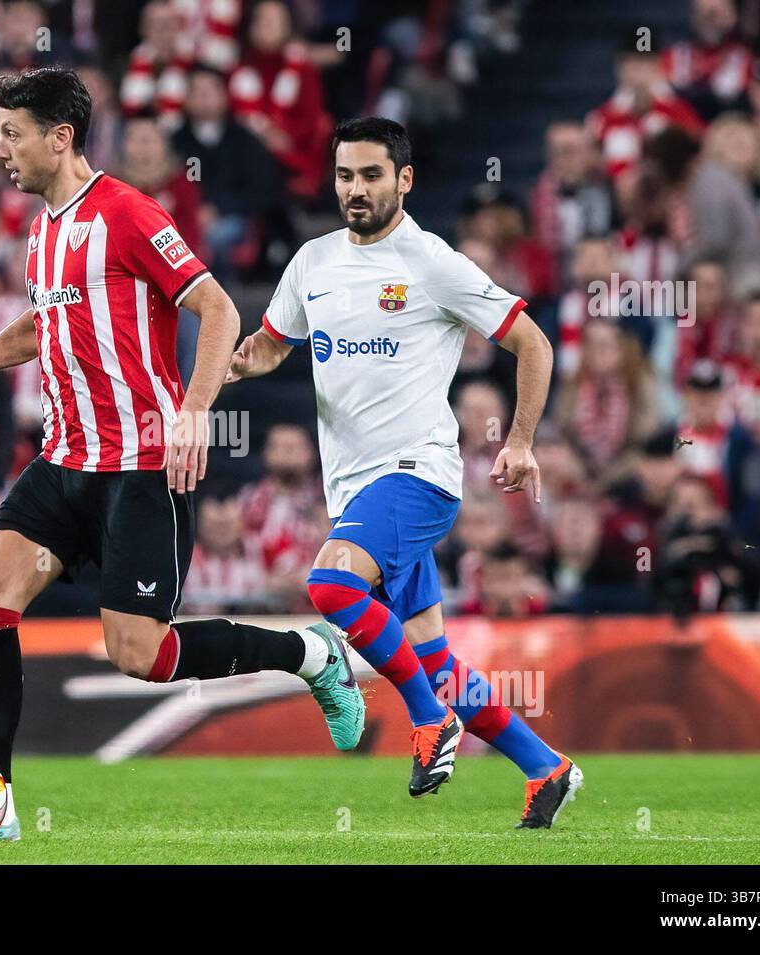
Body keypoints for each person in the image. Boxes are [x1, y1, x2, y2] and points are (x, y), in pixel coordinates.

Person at [0, 67, 362, 842]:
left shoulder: (127, 213)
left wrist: (194, 412)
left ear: (59, 138)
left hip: (139, 466)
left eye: (12, 135)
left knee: (141, 653)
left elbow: (218, 309)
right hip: (65, 459)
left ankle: (309, 652)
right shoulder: (44, 229)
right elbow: (47, 322)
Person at [224, 117, 580, 828]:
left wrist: (520, 441)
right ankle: (546, 767)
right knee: (435, 658)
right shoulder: (313, 262)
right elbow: (272, 344)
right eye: (344, 175)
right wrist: (237, 362)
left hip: (418, 475)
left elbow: (533, 343)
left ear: (404, 179)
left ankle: (428, 719)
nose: (355, 189)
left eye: (371, 175)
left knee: (331, 583)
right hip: (355, 490)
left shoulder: (432, 262)